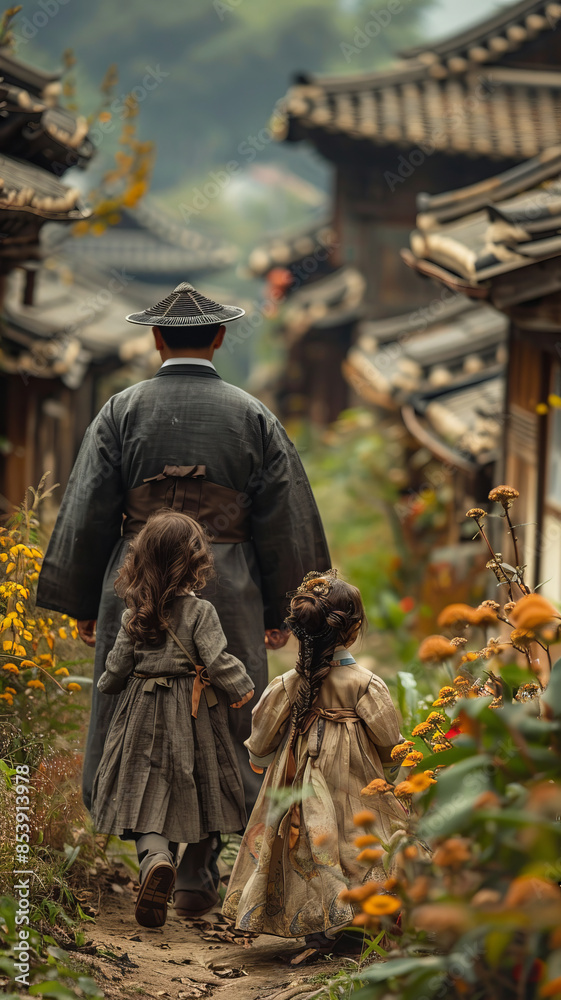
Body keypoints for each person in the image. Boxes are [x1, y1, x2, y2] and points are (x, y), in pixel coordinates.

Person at [36, 281, 330, 898]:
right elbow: (285, 519)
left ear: (155, 338)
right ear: (220, 338)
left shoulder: (121, 410)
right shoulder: (255, 416)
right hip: (230, 585)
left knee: (132, 717)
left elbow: (88, 508)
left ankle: (153, 853)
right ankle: (200, 869)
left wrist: (86, 599)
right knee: (225, 715)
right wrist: (285, 611)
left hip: (134, 583)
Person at [222, 570, 407, 949]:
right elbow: (391, 743)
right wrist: (388, 771)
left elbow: (260, 741)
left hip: (293, 784)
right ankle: (355, 919)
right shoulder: (366, 684)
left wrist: (265, 757)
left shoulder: (288, 684)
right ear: (353, 630)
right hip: (355, 783)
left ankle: (317, 922)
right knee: (357, 843)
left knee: (305, 846)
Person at [91, 509, 255, 927]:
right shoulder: (201, 613)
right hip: (192, 712)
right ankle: (190, 881)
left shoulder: (134, 614)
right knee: (197, 785)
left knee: (145, 792)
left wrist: (107, 684)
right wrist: (241, 687)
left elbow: (115, 668)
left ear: (140, 560)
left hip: (140, 711)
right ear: (196, 561)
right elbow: (217, 660)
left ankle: (155, 860)